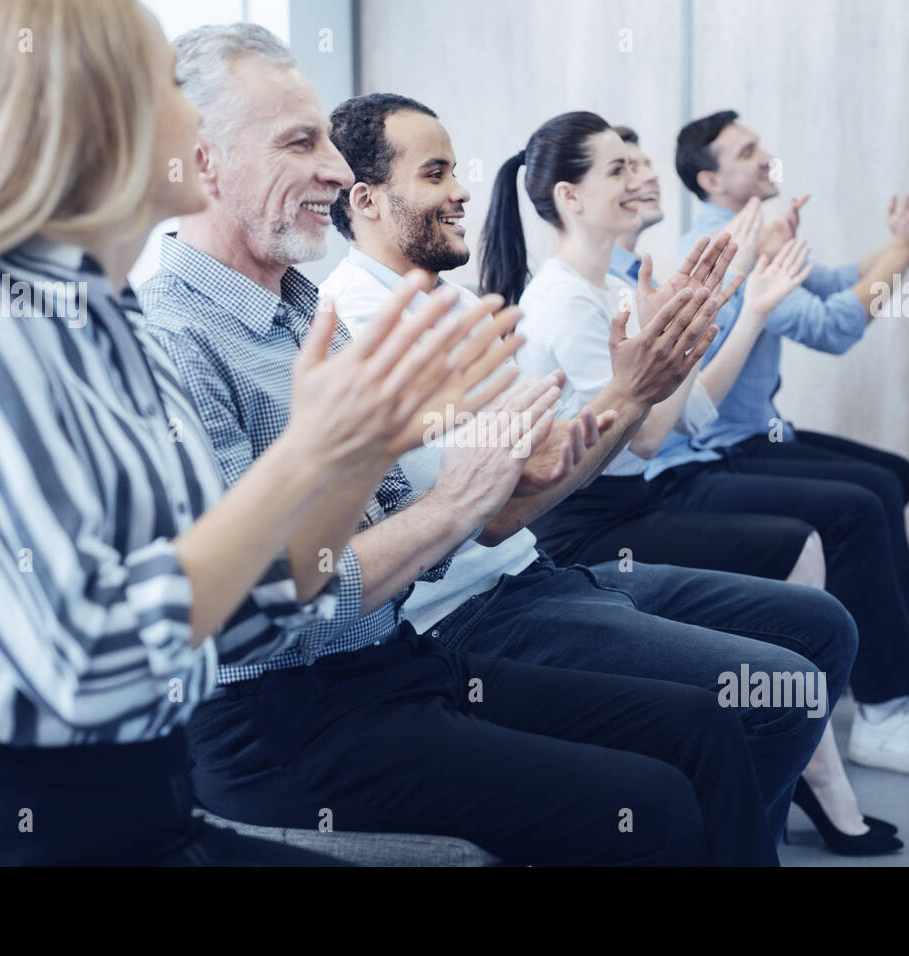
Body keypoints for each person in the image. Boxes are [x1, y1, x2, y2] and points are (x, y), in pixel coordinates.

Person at [0, 0, 495, 866]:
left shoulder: (122, 330)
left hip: (154, 809)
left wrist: (359, 452)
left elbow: (255, 614)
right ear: (98, 113)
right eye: (165, 85)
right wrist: (312, 454)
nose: (188, 111)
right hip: (17, 839)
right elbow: (89, 663)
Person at [318, 92, 867, 849]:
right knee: (775, 693)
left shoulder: (453, 304)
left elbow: (533, 488)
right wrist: (633, 395)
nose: (462, 190)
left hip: (539, 571)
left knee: (822, 629)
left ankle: (731, 837)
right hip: (473, 616)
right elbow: (489, 516)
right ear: (367, 201)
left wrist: (640, 388)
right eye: (436, 173)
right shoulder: (353, 324)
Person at [673, 109, 909, 778]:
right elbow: (834, 328)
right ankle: (886, 711)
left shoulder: (752, 232)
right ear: (710, 178)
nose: (766, 155)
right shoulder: (727, 249)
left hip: (762, 433)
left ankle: (907, 684)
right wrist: (905, 250)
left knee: (891, 475)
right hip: (728, 448)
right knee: (869, 496)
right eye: (747, 150)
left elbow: (840, 282)